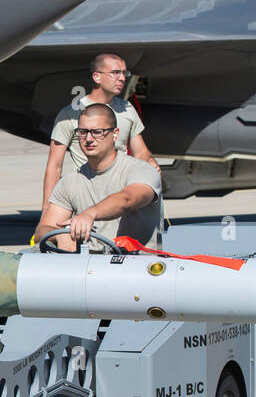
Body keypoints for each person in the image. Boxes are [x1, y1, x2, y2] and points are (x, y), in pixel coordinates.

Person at [34, 103, 162, 252]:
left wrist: (90, 214)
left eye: (97, 132)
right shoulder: (70, 182)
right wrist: (58, 235)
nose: (88, 138)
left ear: (115, 134)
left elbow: (127, 200)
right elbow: (42, 230)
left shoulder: (142, 171)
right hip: (90, 263)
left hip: (136, 263)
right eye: (82, 132)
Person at [42, 52, 159, 210]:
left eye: (124, 73)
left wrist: (150, 163)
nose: (122, 78)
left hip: (120, 196)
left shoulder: (127, 109)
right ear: (96, 77)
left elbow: (140, 152)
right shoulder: (70, 114)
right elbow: (55, 166)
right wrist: (47, 209)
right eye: (115, 72)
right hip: (86, 197)